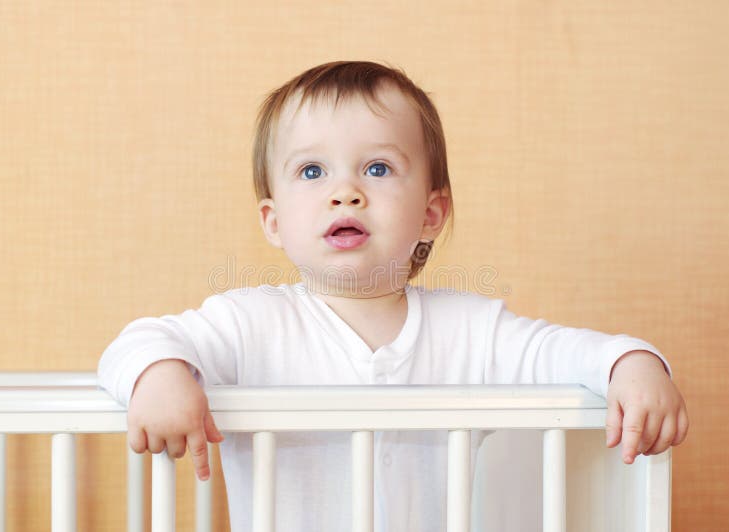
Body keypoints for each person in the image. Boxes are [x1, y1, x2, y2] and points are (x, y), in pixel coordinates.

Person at [98, 60, 688, 531]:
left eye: (377, 169)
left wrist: (630, 362)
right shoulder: (251, 323)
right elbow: (140, 341)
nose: (346, 192)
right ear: (273, 222)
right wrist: (162, 373)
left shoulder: (472, 330)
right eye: (312, 173)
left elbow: (563, 352)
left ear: (431, 214)